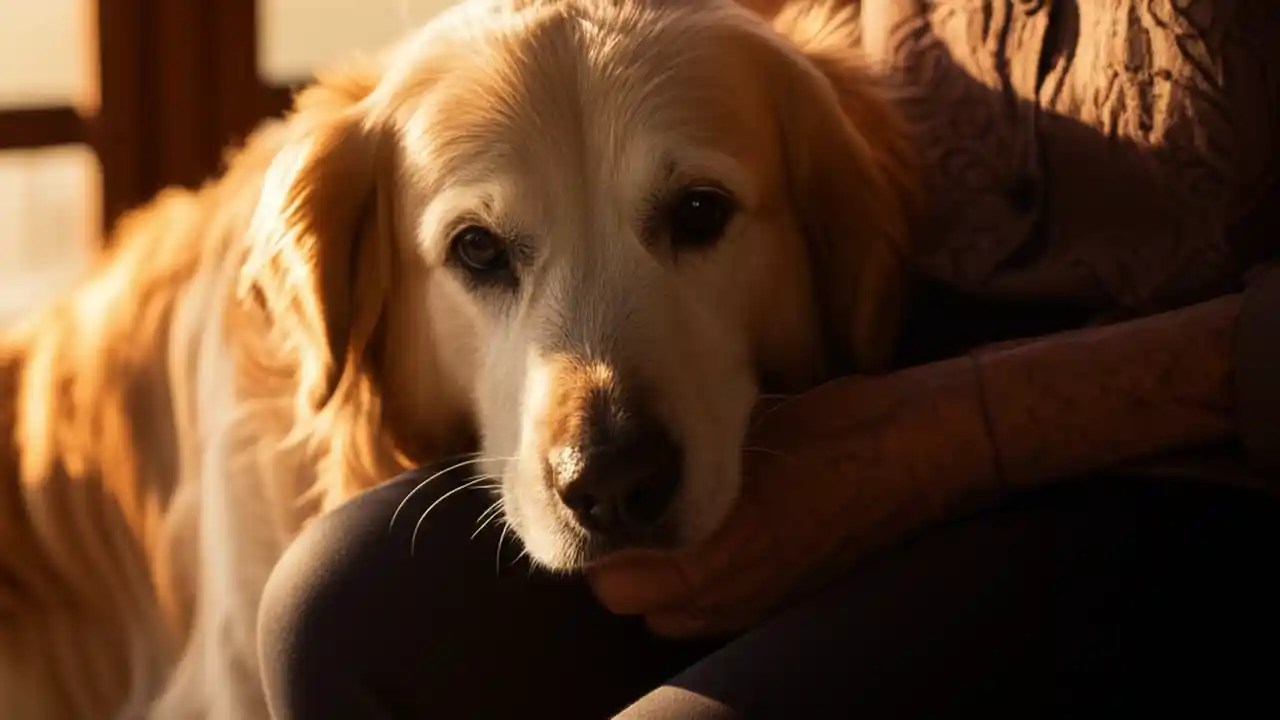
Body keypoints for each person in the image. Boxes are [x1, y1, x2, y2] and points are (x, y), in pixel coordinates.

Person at [257, 1, 1280, 717]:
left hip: (1193, 473)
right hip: (902, 362)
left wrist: (939, 439)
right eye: (482, 252)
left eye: (696, 214)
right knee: (337, 615)